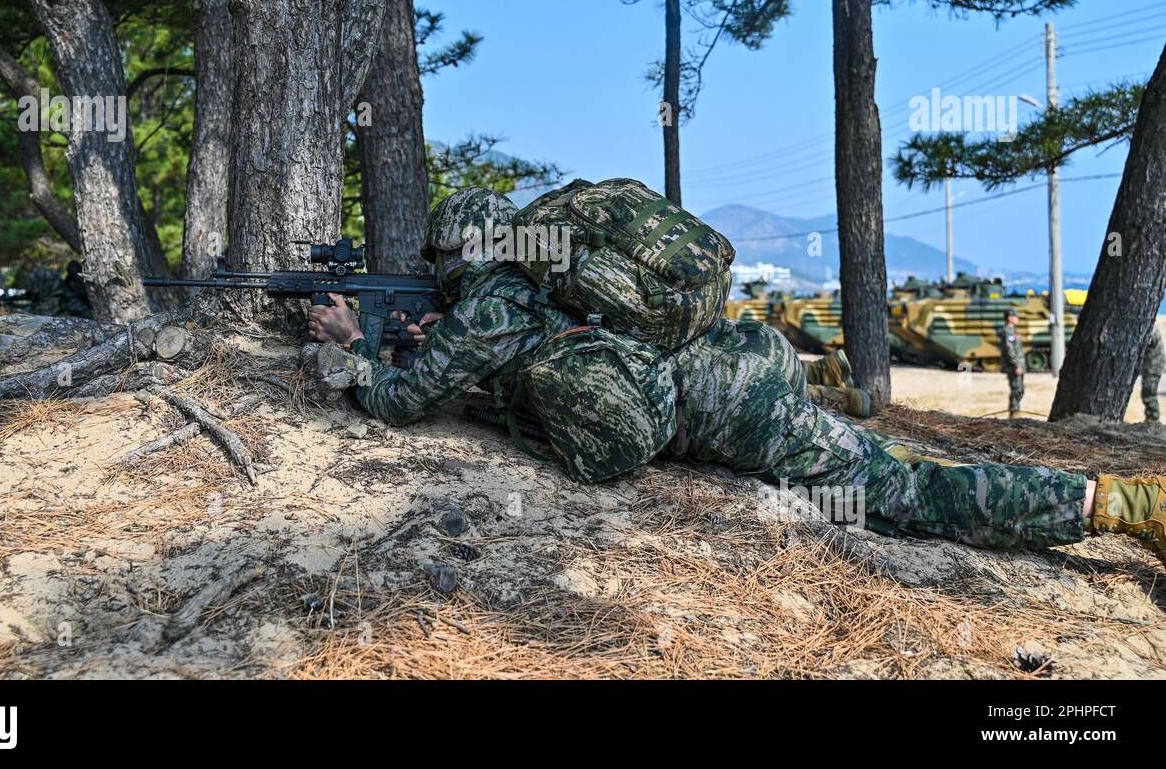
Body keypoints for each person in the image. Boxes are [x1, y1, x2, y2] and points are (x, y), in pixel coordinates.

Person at [308, 188, 1166, 567]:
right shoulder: (550, 273)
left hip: (735, 410)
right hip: (739, 357)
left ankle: (1123, 505)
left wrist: (350, 349)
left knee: (905, 492)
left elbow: (395, 404)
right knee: (867, 459)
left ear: (456, 252)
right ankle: (837, 395)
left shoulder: (492, 303)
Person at [999, 307, 1025, 420]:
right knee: (1016, 389)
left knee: (1020, 389)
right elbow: (1009, 350)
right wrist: (1016, 365)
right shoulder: (1007, 331)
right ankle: (1014, 413)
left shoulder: (1013, 331)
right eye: (1015, 316)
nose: (1017, 318)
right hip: (1014, 366)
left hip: (1018, 364)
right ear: (1009, 318)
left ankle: (1015, 410)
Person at [1141, 325, 1165, 423]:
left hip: (1154, 366)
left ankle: (1153, 419)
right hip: (1151, 365)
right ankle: (1151, 418)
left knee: (1149, 394)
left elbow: (1147, 341)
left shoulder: (1151, 329)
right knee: (1147, 393)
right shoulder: (1149, 327)